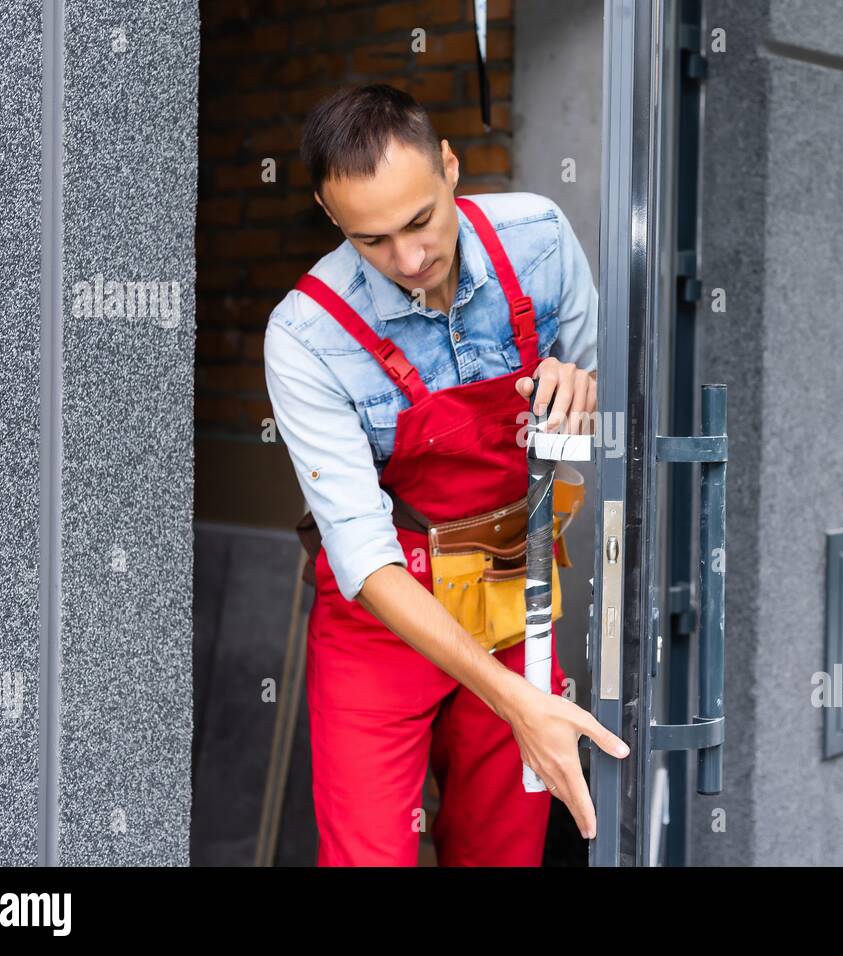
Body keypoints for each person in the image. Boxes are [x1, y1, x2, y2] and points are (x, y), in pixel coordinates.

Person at [263, 83, 630, 866]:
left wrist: (586, 398)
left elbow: (610, 424)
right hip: (383, 617)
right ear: (334, 221)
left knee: (503, 851)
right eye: (373, 240)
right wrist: (520, 704)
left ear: (451, 167)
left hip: (510, 588)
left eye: (422, 220)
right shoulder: (305, 336)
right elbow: (363, 555)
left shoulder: (540, 240)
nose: (410, 259)